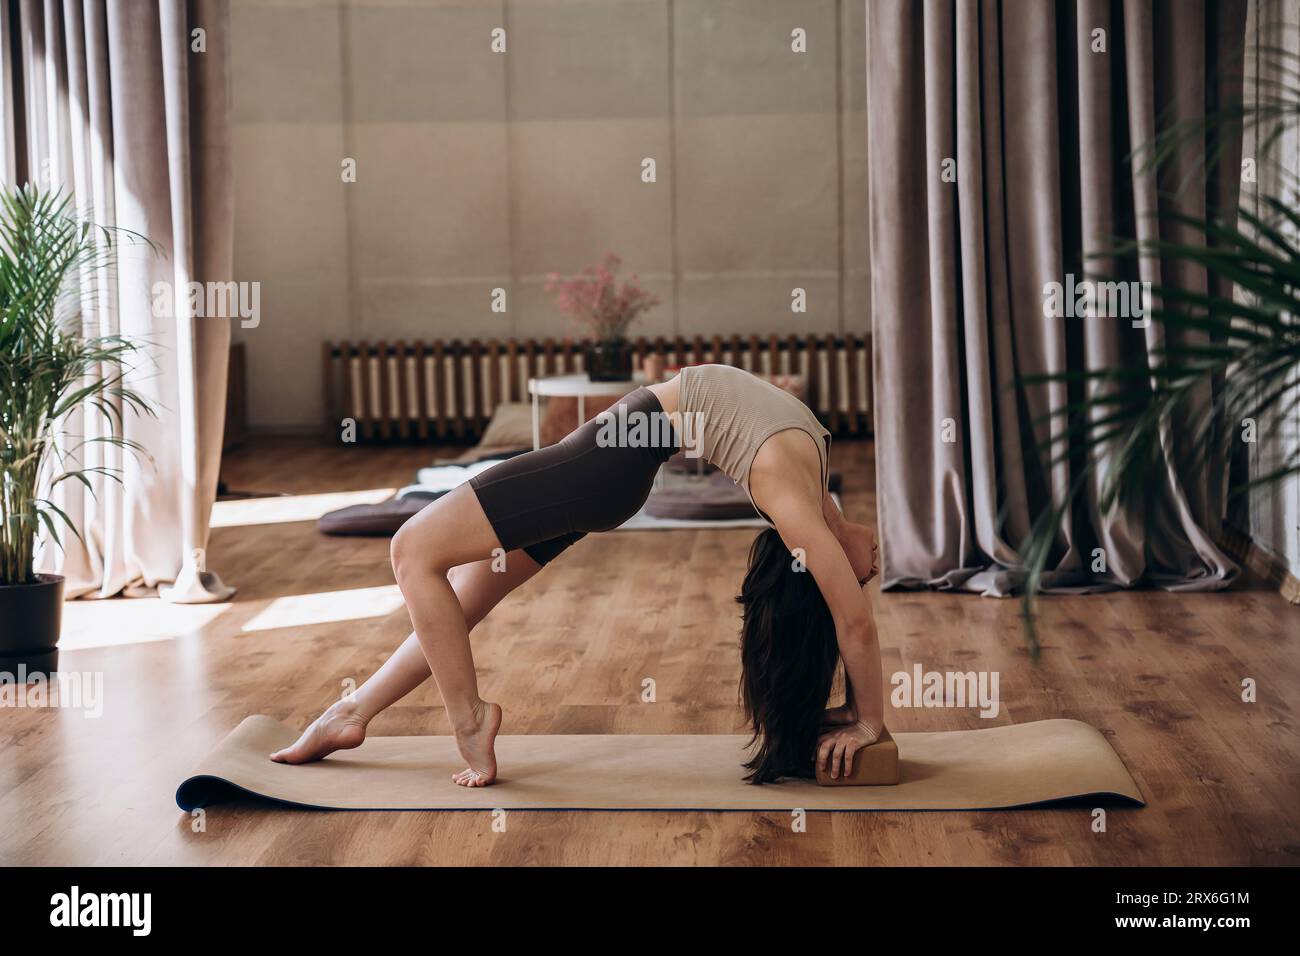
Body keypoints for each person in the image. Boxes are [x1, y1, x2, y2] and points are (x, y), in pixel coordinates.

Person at [271, 364, 883, 786]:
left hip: (607, 460)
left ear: (818, 565)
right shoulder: (818, 494)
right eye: (864, 577)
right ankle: (349, 714)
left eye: (856, 578)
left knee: (411, 550)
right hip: (613, 467)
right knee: (461, 598)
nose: (870, 572)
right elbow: (845, 614)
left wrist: (868, 722)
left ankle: (469, 718)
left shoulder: (801, 511)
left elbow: (853, 623)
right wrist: (853, 707)